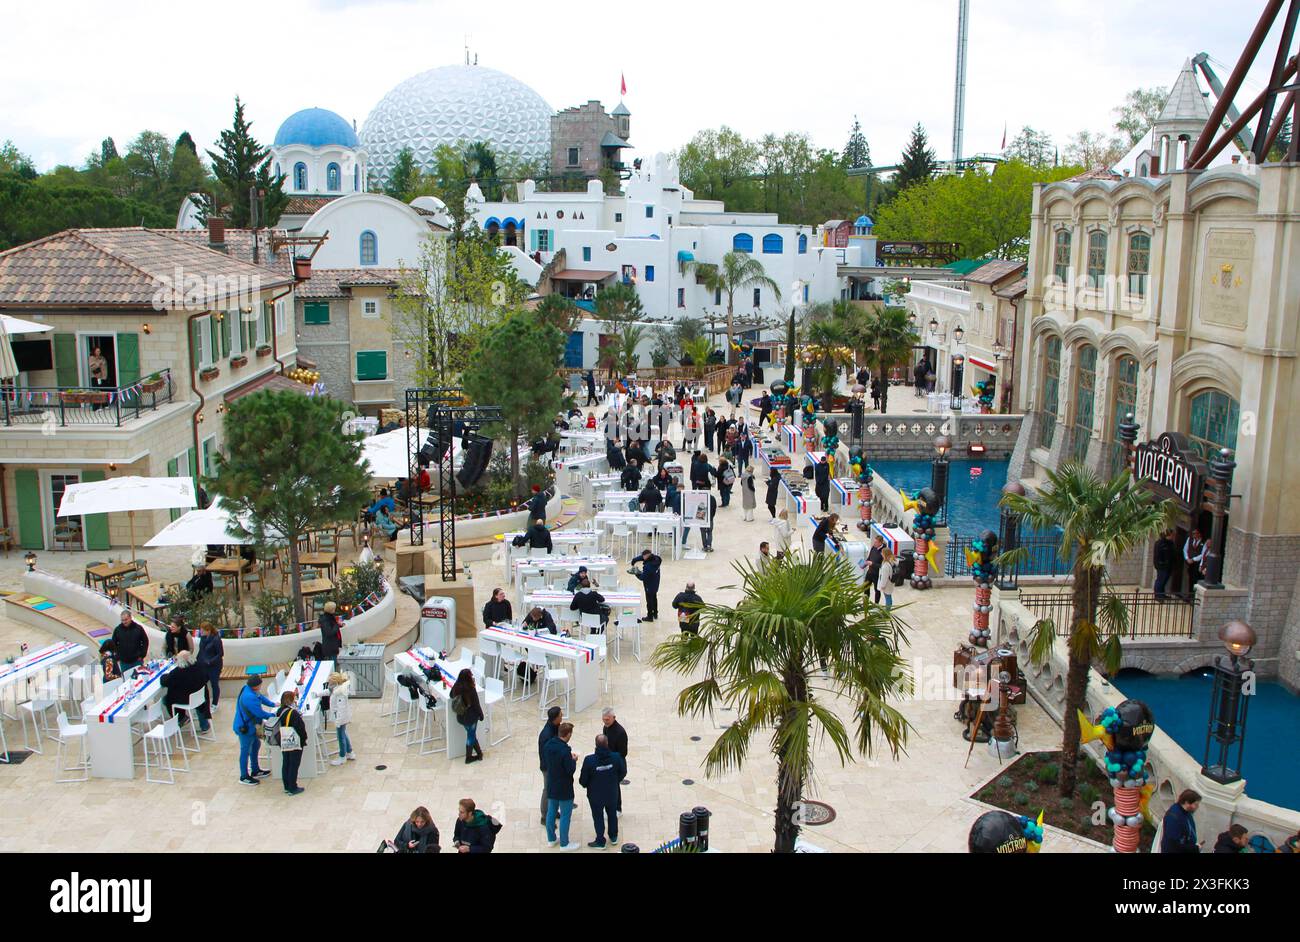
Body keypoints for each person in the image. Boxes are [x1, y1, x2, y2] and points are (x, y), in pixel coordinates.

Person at [580, 733, 627, 849]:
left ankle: (600, 841)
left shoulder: (589, 760)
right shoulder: (616, 757)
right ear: (607, 744)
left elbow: (583, 780)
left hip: (595, 796)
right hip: (612, 794)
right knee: (612, 814)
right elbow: (623, 772)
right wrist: (615, 781)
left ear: (596, 745)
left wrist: (587, 785)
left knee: (598, 817)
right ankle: (613, 836)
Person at [543, 721, 581, 850]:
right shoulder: (565, 751)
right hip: (564, 787)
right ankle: (564, 843)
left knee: (551, 812)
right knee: (565, 815)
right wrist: (574, 760)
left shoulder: (548, 745)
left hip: (552, 783)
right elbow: (570, 770)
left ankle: (551, 839)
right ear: (568, 734)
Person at [233, 675, 276, 785]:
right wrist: (275, 715)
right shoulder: (249, 697)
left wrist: (273, 704)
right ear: (256, 686)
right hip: (245, 728)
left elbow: (260, 697)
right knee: (245, 751)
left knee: (256, 745)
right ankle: (244, 776)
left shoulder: (248, 689)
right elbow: (260, 713)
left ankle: (255, 770)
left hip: (251, 726)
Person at [159, 649, 210, 732]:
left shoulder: (178, 672)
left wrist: (165, 675)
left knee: (166, 699)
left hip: (186, 699)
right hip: (200, 696)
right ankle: (204, 724)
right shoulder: (200, 667)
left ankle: (181, 718)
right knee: (198, 702)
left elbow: (165, 681)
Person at [274, 690, 308, 795]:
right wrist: (304, 739)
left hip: (284, 740)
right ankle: (293, 787)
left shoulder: (280, 711)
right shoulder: (293, 713)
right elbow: (300, 729)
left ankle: (286, 786)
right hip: (294, 741)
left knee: (286, 763)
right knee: (294, 764)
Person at [450, 667, 485, 764]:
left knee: (471, 734)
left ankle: (479, 754)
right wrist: (481, 715)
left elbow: (451, 695)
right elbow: (476, 705)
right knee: (471, 736)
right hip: (471, 717)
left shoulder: (456, 687)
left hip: (461, 717)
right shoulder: (471, 689)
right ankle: (468, 757)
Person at [538, 706, 563, 827]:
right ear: (556, 718)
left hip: (554, 765)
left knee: (554, 789)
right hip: (548, 767)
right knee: (548, 790)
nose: (562, 717)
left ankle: (553, 811)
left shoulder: (555, 727)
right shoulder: (546, 734)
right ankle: (545, 816)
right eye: (561, 716)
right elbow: (546, 754)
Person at [324, 671, 355, 765]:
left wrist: (338, 721)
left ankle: (342, 756)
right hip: (341, 717)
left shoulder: (340, 693)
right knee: (343, 734)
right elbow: (328, 691)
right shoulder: (337, 689)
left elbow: (341, 709)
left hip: (341, 717)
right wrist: (317, 694)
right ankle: (349, 752)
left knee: (340, 736)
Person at [1159, 789, 1203, 853]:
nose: (1197, 807)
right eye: (1195, 804)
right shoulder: (1173, 818)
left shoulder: (1186, 812)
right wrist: (1194, 848)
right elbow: (1175, 844)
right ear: (1187, 803)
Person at [112, 609, 149, 674]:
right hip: (124, 663)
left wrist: (142, 655)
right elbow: (113, 644)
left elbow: (145, 641)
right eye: (122, 620)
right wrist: (117, 656)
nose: (124, 622)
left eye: (126, 619)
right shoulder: (117, 630)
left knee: (139, 680)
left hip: (137, 661)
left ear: (130, 618)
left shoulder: (138, 628)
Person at [632, 548, 662, 622]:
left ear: (647, 556)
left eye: (644, 556)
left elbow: (642, 577)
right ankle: (655, 613)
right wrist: (635, 559)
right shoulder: (657, 559)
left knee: (649, 600)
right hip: (656, 582)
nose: (642, 558)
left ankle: (650, 616)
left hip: (649, 585)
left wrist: (636, 573)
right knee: (654, 597)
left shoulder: (648, 566)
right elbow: (643, 557)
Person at [1153, 530, 1176, 599]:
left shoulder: (1170, 543)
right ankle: (1158, 596)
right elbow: (1158, 556)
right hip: (1162, 566)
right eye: (1172, 535)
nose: (1173, 536)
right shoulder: (1160, 543)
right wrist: (1162, 564)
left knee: (1164, 581)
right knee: (1160, 580)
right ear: (1169, 535)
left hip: (1168, 566)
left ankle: (1162, 594)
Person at [1184, 529, 1207, 596]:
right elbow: (1185, 549)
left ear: (1199, 534)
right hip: (1190, 564)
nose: (1194, 535)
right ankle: (1189, 595)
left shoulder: (1204, 542)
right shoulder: (1189, 539)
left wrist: (1194, 559)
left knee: (1196, 580)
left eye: (1195, 533)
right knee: (1190, 579)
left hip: (1197, 564)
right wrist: (1187, 558)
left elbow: (1202, 554)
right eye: (1193, 533)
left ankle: (1194, 596)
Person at [865, 534, 885, 602]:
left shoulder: (884, 552)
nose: (874, 543)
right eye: (874, 542)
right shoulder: (873, 547)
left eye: (876, 542)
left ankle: (876, 604)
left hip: (877, 574)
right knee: (865, 587)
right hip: (870, 572)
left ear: (880, 543)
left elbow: (882, 566)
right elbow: (869, 557)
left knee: (877, 590)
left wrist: (872, 564)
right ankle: (866, 602)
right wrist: (865, 562)